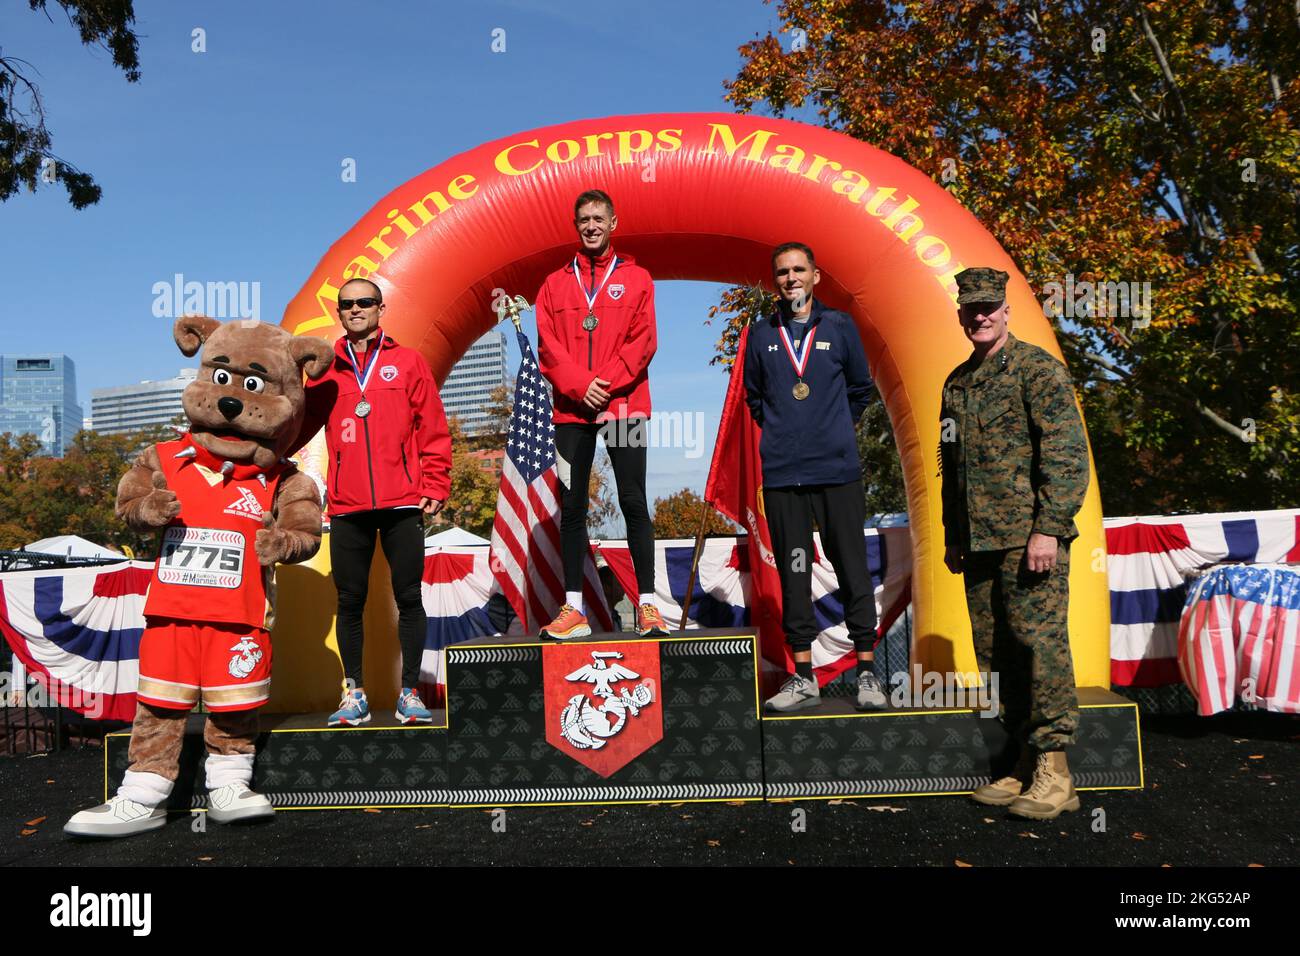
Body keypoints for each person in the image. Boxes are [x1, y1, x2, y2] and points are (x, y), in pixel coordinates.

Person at [939, 266, 1090, 820]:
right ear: (960, 315)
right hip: (979, 542)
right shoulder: (956, 383)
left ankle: (1055, 768)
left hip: (1030, 538)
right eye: (970, 308)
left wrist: (1048, 527)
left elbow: (1068, 455)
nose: (980, 315)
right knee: (995, 654)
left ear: (1006, 310)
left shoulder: (1038, 370)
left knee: (1039, 646)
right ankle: (1021, 758)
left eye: (989, 307)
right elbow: (950, 470)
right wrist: (955, 535)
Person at [297, 277, 452, 726]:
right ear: (340, 313)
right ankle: (355, 694)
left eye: (365, 302)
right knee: (350, 601)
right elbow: (299, 424)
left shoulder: (407, 362)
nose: (356, 309)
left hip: (402, 499)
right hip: (348, 505)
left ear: (381, 308)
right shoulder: (326, 370)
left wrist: (436, 484)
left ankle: (409, 693)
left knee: (409, 597)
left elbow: (432, 427)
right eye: (347, 305)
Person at [743, 242, 887, 713]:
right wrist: (788, 435)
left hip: (837, 471)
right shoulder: (761, 335)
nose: (790, 279)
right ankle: (803, 676)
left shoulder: (841, 326)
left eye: (798, 270)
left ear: (815, 276)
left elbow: (861, 389)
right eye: (782, 272)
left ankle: (867, 672)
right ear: (775, 280)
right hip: (785, 477)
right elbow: (755, 399)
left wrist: (833, 429)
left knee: (851, 566)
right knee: (795, 572)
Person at [534, 189, 667, 640]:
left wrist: (603, 385)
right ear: (577, 227)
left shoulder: (638, 278)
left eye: (598, 218)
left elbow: (644, 341)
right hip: (571, 412)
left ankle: (647, 604)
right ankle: (573, 609)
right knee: (572, 508)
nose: (591, 226)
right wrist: (578, 387)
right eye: (583, 220)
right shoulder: (553, 284)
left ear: (614, 223)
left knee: (633, 498)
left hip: (623, 407)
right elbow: (547, 347)